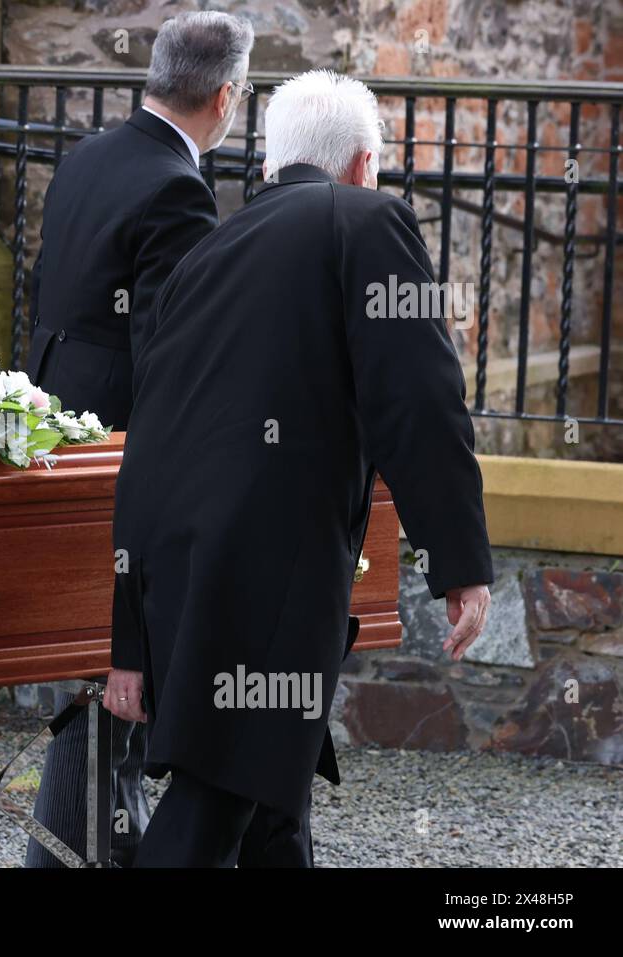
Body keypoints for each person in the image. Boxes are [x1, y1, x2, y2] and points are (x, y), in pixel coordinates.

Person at [108, 69, 494, 867]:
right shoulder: (371, 220)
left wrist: (130, 632)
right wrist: (459, 561)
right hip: (270, 569)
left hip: (179, 563)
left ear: (269, 164)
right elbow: (421, 397)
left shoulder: (205, 252)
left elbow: (149, 436)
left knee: (268, 798)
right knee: (216, 801)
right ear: (361, 164)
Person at [24, 10, 254, 868]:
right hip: (123, 451)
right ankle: (77, 857)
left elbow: (51, 298)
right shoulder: (177, 187)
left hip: (54, 426)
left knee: (93, 689)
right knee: (121, 691)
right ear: (225, 96)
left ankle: (66, 853)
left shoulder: (88, 157)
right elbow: (171, 358)